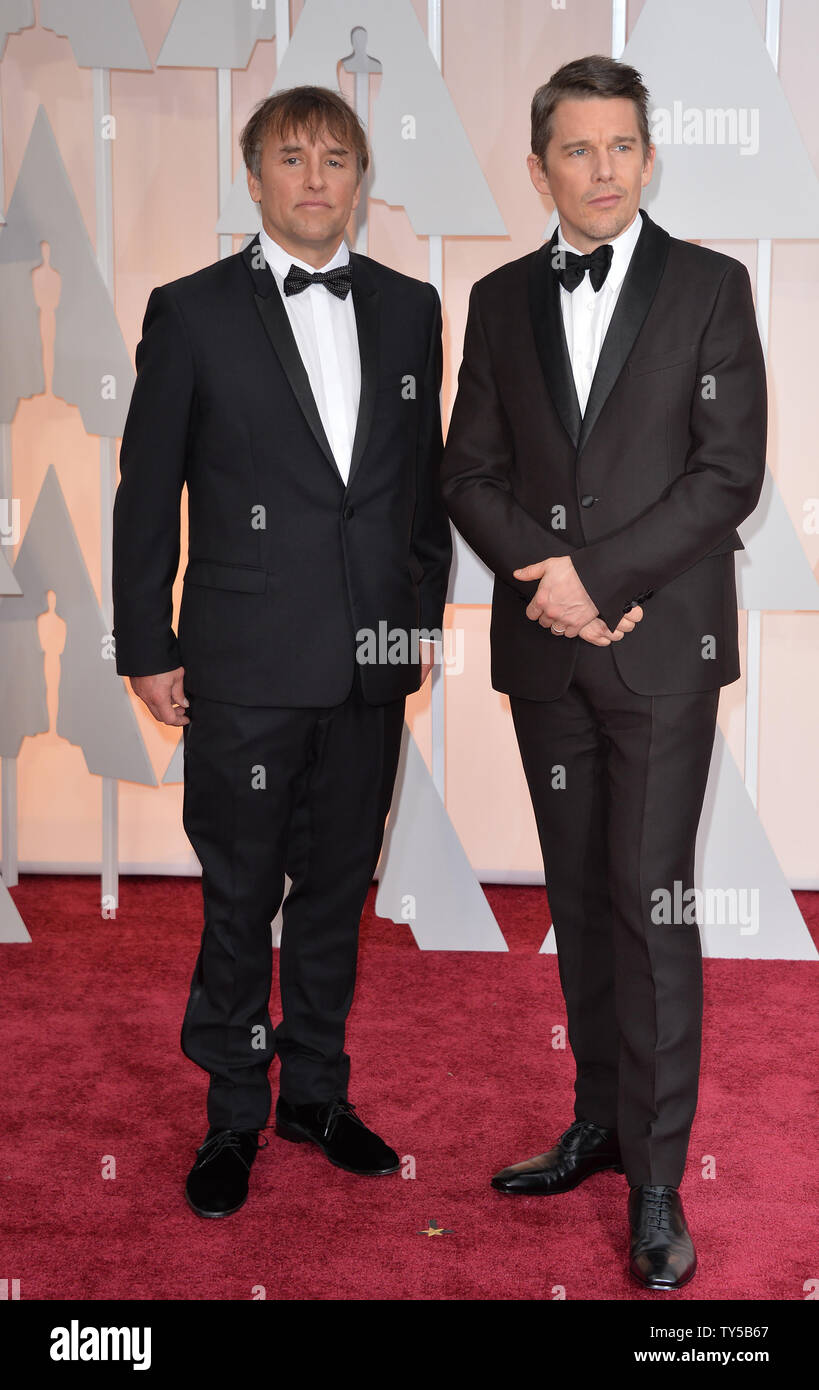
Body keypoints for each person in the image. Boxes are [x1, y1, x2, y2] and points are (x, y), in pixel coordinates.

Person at [441, 55, 766, 1289]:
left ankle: (661, 1184)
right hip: (547, 650)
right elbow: (466, 471)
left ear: (647, 153)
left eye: (622, 145)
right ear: (539, 168)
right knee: (576, 899)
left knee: (651, 902)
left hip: (661, 651)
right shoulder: (499, 294)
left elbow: (725, 475)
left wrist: (602, 580)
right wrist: (548, 576)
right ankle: (600, 1120)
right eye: (577, 150)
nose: (604, 169)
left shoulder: (712, 288)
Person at [112, 85, 451, 1218]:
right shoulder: (192, 309)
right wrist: (146, 641)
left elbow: (422, 493)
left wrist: (414, 627)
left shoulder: (410, 309)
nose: (316, 177)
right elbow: (147, 487)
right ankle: (232, 1114)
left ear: (362, 180)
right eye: (292, 157)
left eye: (338, 158)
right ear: (253, 176)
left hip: (367, 663)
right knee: (239, 891)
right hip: (243, 662)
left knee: (337, 892)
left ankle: (316, 1090)